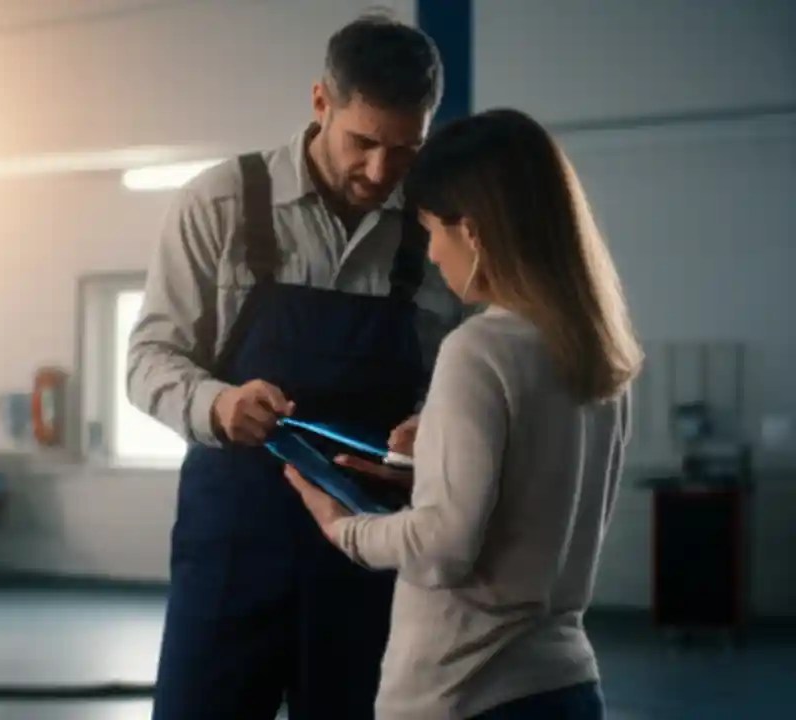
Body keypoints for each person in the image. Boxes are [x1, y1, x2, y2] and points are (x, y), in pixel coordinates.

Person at [127, 13, 465, 719]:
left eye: (406, 149)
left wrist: (430, 428)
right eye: (363, 142)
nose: (381, 172)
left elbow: (458, 378)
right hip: (232, 544)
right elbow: (148, 359)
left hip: (370, 549)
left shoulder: (436, 229)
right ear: (320, 103)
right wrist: (216, 404)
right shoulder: (221, 203)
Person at [286, 107, 643, 720]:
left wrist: (344, 528)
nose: (431, 252)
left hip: (467, 694)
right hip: (566, 687)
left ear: (473, 233)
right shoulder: (598, 353)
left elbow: (444, 547)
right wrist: (433, 467)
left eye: (432, 229)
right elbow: (531, 505)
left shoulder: (479, 349)